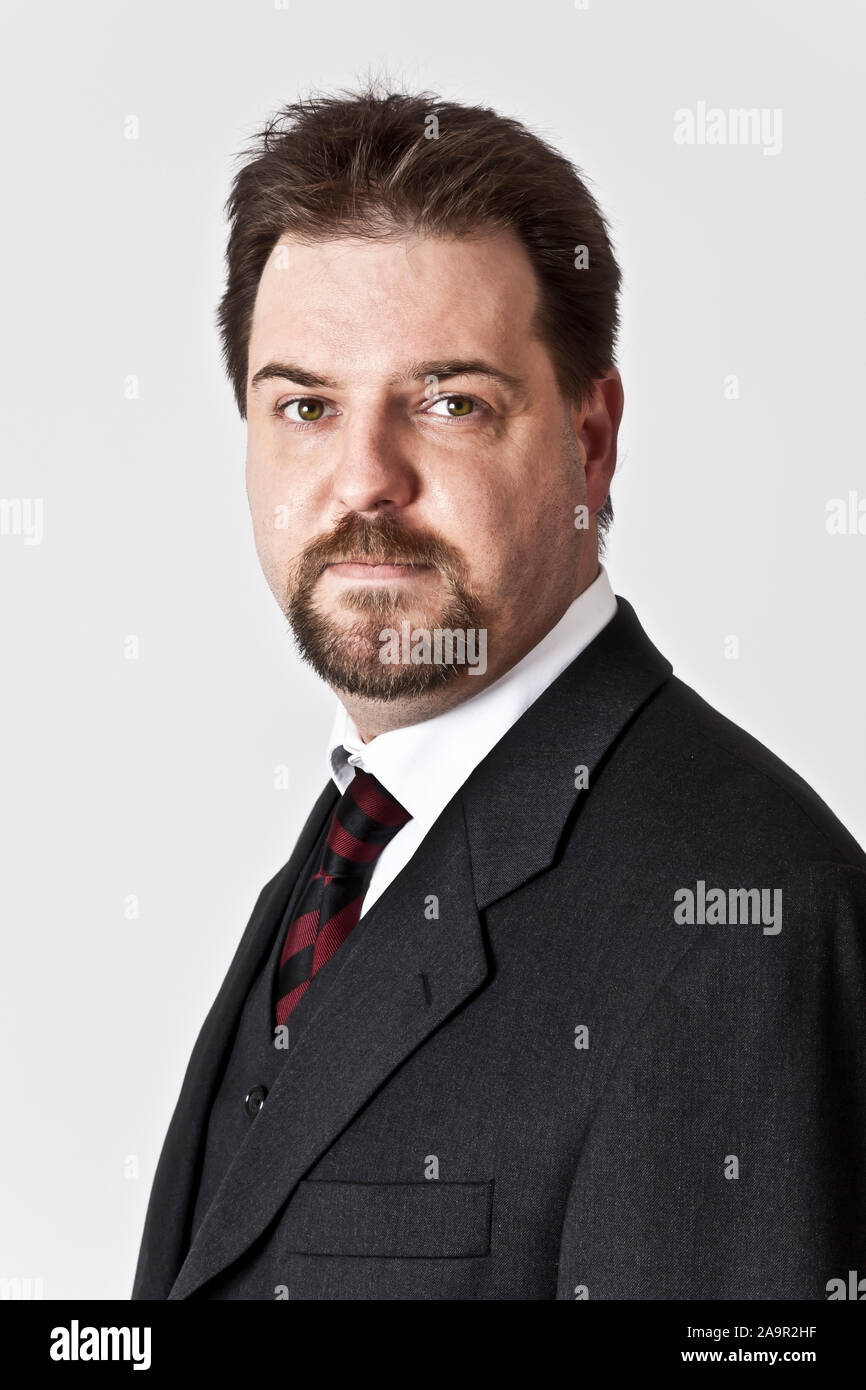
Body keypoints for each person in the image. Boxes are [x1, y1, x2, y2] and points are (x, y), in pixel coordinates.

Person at [132, 84, 866, 1301]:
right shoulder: (353, 843)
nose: (363, 480)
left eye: (447, 403)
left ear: (590, 439)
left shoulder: (747, 931)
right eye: (305, 406)